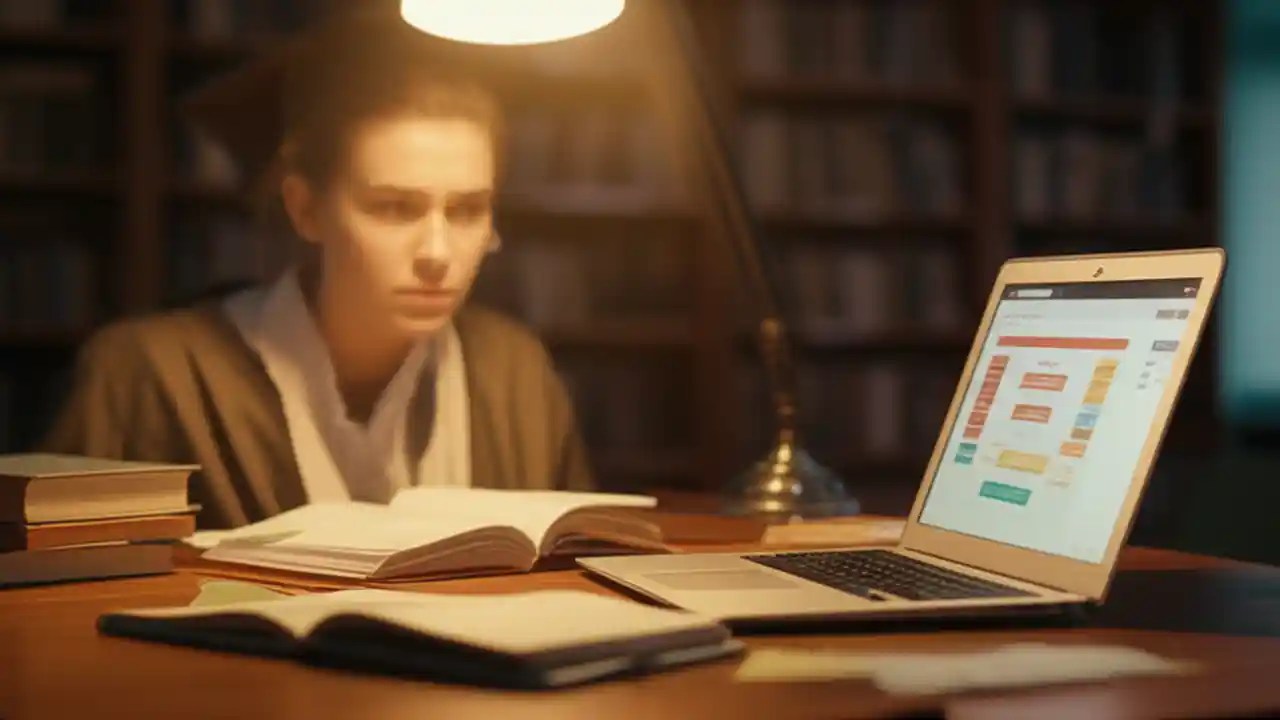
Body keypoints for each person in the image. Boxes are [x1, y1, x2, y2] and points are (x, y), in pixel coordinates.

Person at [40, 8, 594, 528]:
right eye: (394, 208)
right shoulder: (150, 374)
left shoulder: (513, 372)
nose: (437, 253)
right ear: (306, 209)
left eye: (467, 210)